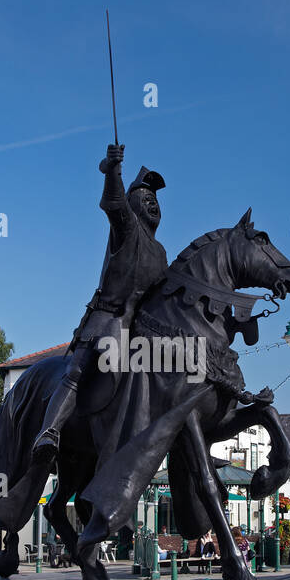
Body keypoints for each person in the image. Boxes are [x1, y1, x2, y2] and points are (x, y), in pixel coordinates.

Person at [31, 143, 167, 465]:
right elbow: (113, 203)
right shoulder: (126, 229)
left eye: (156, 201)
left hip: (141, 330)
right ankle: (49, 431)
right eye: (146, 199)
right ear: (134, 205)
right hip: (107, 321)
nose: (154, 205)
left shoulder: (160, 252)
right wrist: (113, 171)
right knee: (77, 372)